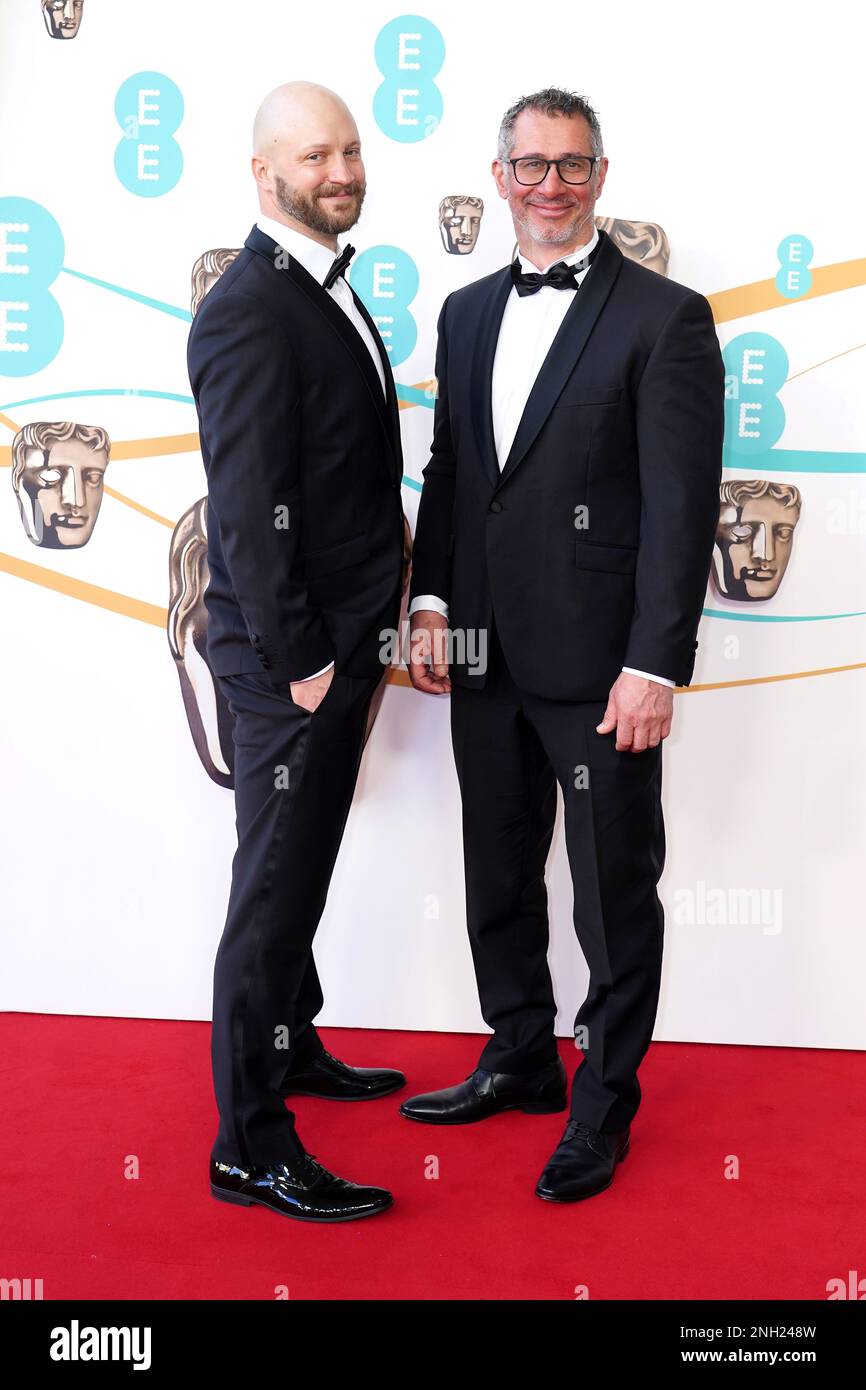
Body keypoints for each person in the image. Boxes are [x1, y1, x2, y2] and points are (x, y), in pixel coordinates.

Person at [403, 87, 725, 1203]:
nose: (550, 184)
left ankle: (602, 1106)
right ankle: (520, 1054)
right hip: (481, 650)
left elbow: (683, 507)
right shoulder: (464, 310)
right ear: (498, 177)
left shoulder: (663, 317)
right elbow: (453, 473)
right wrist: (433, 598)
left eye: (572, 165)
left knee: (607, 892)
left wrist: (655, 662)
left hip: (599, 667)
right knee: (496, 869)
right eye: (530, 164)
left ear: (599, 176)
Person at [187, 81, 406, 1223]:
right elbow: (247, 508)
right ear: (264, 174)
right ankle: (249, 1141)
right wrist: (303, 661)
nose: (339, 169)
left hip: (341, 646)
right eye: (314, 154)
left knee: (301, 866)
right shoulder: (247, 308)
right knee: (270, 894)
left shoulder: (315, 283)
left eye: (350, 149)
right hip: (293, 664)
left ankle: (291, 1040)